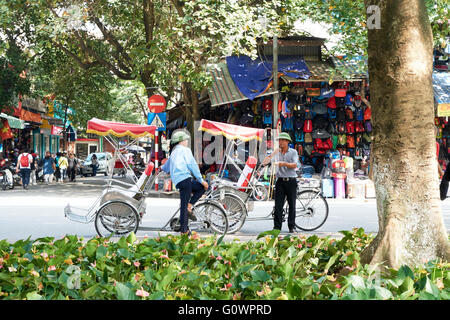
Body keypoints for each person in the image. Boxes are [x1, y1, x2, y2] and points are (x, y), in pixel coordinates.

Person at [161, 130, 208, 235]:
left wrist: (160, 168)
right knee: (200, 188)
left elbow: (166, 167)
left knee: (184, 203)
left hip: (178, 181)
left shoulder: (173, 152)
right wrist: (201, 180)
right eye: (186, 139)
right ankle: (184, 230)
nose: (187, 141)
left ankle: (188, 208)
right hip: (185, 179)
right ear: (181, 141)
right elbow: (193, 165)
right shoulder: (185, 150)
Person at [263, 132, 299, 233]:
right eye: (279, 140)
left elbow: (295, 165)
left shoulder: (293, 152)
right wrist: (273, 154)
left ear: (288, 142)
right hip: (280, 182)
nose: (281, 142)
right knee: (278, 205)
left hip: (291, 180)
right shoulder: (276, 152)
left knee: (292, 205)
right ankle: (277, 227)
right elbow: (264, 162)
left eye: (283, 140)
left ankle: (292, 226)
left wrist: (283, 164)